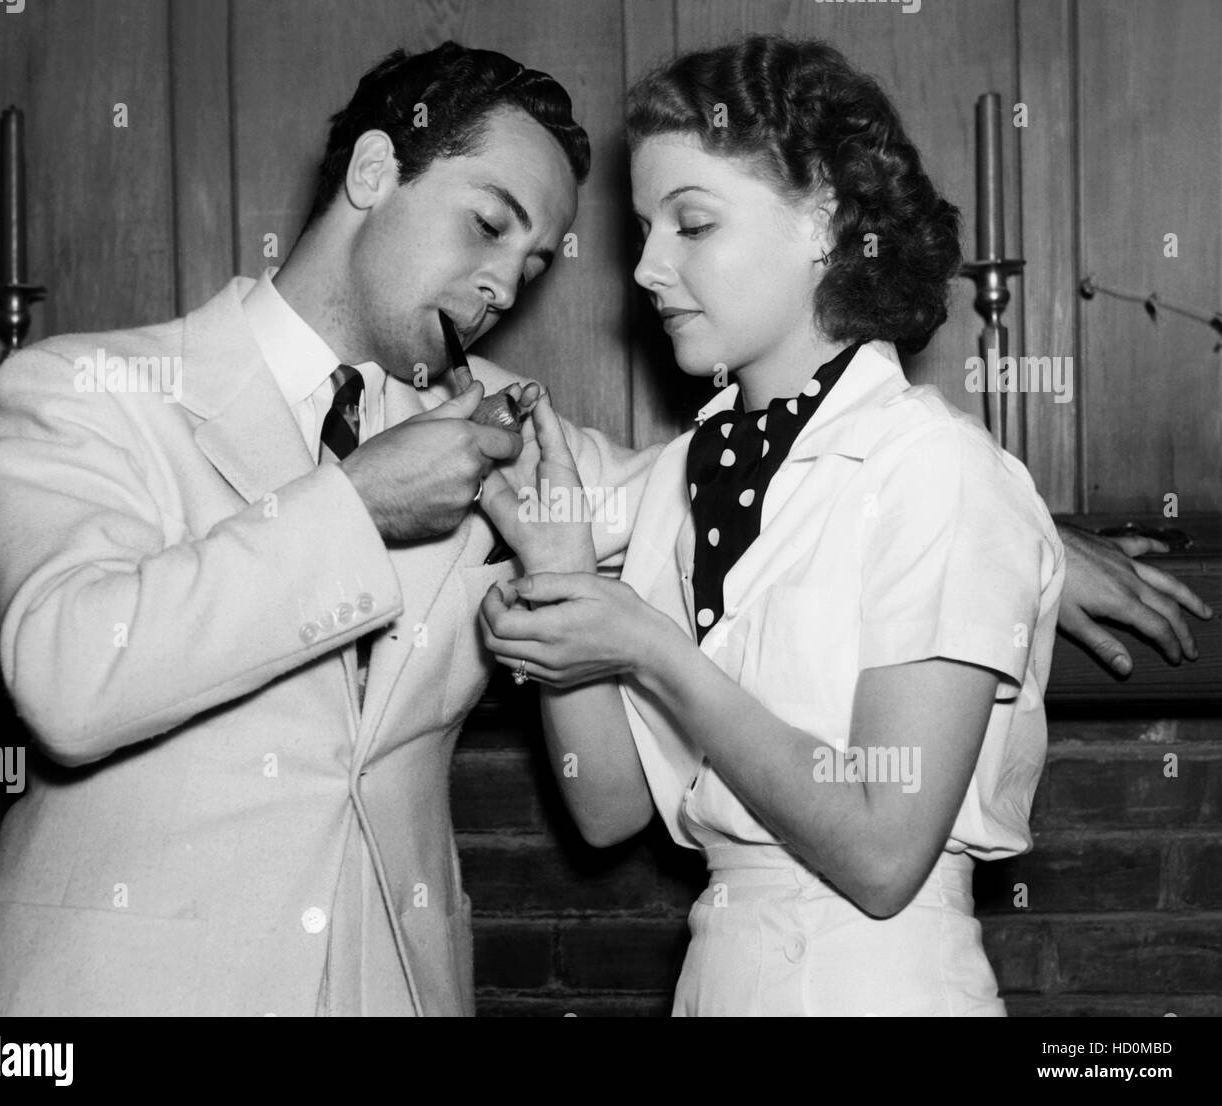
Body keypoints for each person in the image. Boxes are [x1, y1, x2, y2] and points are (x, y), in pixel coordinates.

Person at [0, 36, 1207, 1018]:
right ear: (370, 175)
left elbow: (810, 470)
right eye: (489, 223)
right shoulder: (85, 393)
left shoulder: (504, 449)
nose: (512, 283)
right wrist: (355, 506)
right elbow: (74, 675)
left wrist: (1043, 537)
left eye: (542, 255)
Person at [477, 35, 1211, 1016]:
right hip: (716, 976)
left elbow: (879, 851)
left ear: (821, 221)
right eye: (645, 228)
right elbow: (606, 807)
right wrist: (562, 585)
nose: (647, 268)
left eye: (691, 224)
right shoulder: (683, 478)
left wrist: (652, 650)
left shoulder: (936, 469)